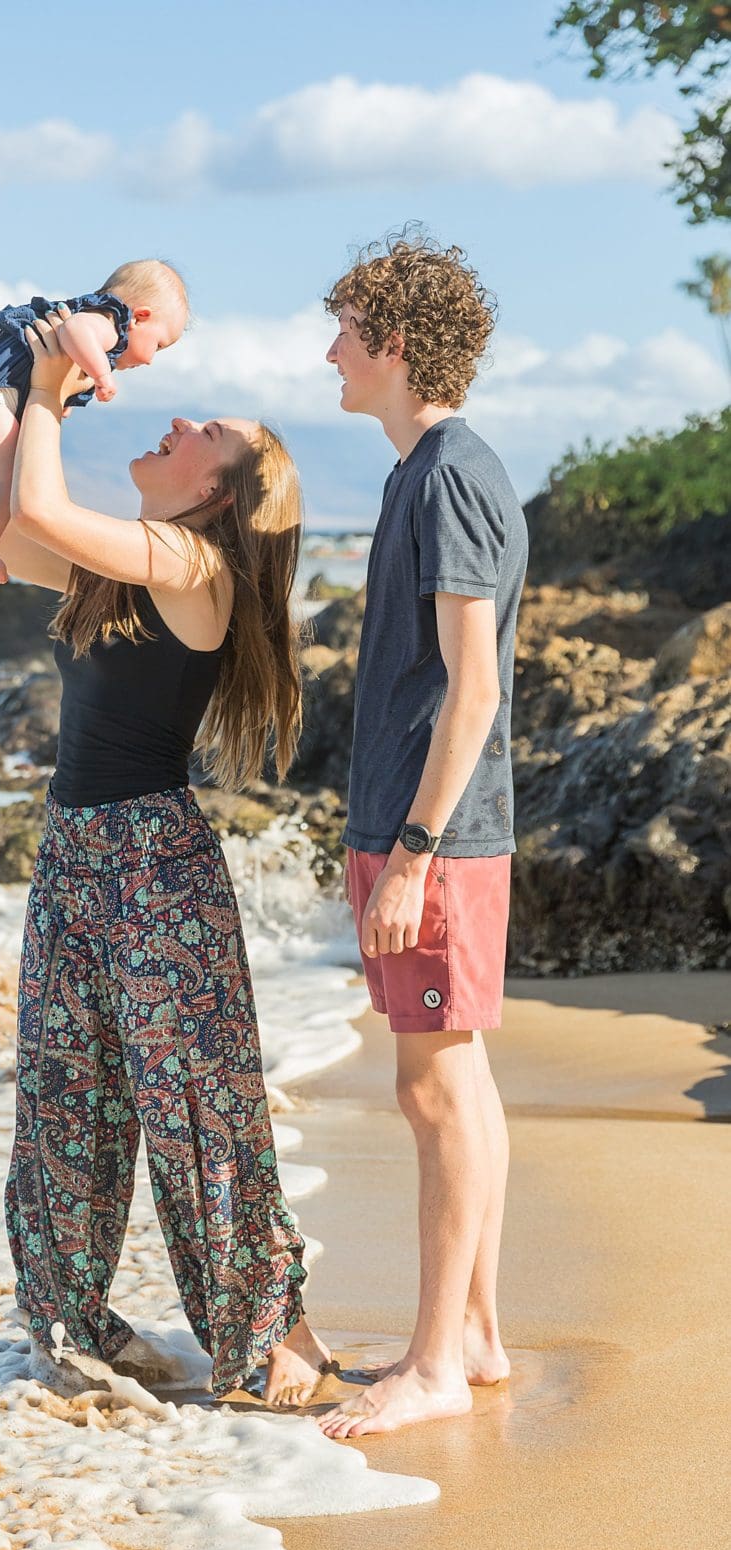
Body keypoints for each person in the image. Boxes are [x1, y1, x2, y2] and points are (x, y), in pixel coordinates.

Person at [0, 304, 334, 1406]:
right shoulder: (123, 567)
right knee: (63, 1096)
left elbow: (41, 501)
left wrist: (52, 384)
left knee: (197, 1108)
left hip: (154, 867)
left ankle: (269, 1338)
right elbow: (2, 532)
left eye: (204, 433)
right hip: (75, 851)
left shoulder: (193, 567)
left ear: (216, 493)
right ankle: (72, 1327)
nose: (177, 419)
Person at [316, 231, 528, 1439]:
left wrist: (408, 855)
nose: (328, 352)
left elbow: (473, 687)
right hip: (423, 827)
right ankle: (477, 1337)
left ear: (394, 345)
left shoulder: (448, 472)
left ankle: (434, 1363)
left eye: (344, 329)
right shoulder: (425, 470)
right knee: (455, 1084)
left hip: (431, 835)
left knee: (433, 1091)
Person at [0, 259, 188, 584]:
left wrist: (59, 397)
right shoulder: (109, 322)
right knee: (2, 485)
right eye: (159, 345)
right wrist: (100, 374)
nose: (151, 359)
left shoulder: (91, 318)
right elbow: (74, 331)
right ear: (140, 317)